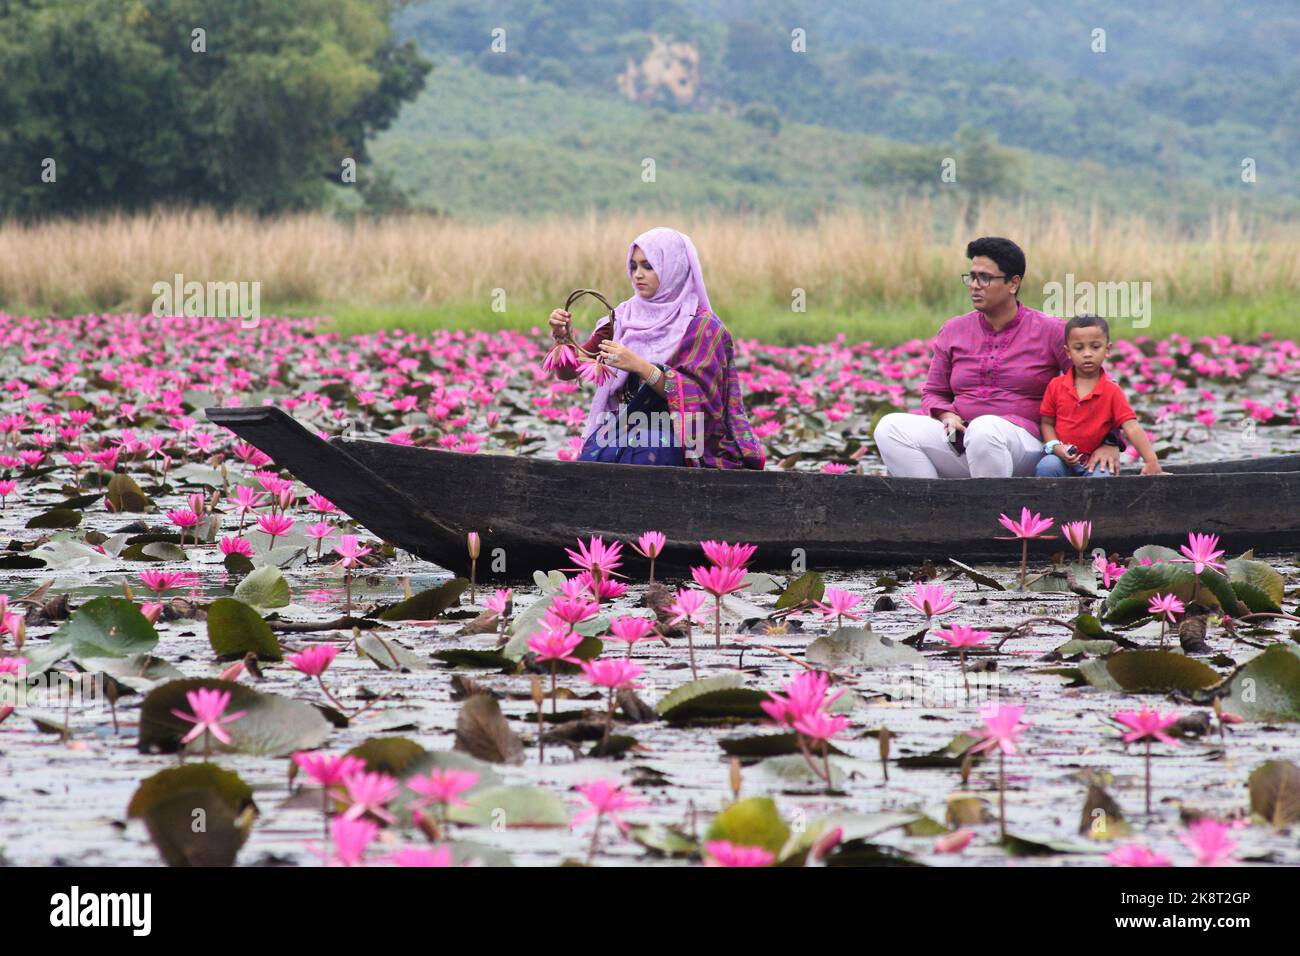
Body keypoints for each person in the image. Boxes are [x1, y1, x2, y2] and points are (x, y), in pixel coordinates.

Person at [873, 236, 1123, 478]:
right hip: (963, 439)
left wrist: (1110, 441)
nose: (974, 285)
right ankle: (930, 509)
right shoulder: (952, 330)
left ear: (1013, 283)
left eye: (985, 278)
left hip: (1026, 445)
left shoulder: (1052, 330)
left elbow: (1098, 385)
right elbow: (935, 392)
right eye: (971, 277)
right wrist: (947, 415)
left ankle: (991, 514)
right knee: (890, 427)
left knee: (985, 429)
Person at [547, 226, 765, 469]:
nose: (638, 274)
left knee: (647, 450)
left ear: (673, 268)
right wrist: (563, 339)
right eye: (633, 266)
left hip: (686, 438)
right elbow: (568, 372)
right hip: (626, 427)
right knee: (597, 452)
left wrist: (640, 366)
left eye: (648, 266)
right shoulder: (622, 318)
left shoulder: (704, 328)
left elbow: (705, 404)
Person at [1037, 314, 1163, 477]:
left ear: (1107, 350)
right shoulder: (1055, 386)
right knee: (1046, 467)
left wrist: (1151, 460)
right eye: (1079, 348)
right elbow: (1047, 423)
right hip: (1062, 459)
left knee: (1102, 479)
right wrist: (1055, 447)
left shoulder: (1112, 390)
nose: (1087, 354)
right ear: (1068, 352)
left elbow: (1131, 426)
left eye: (1095, 347)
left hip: (1095, 461)